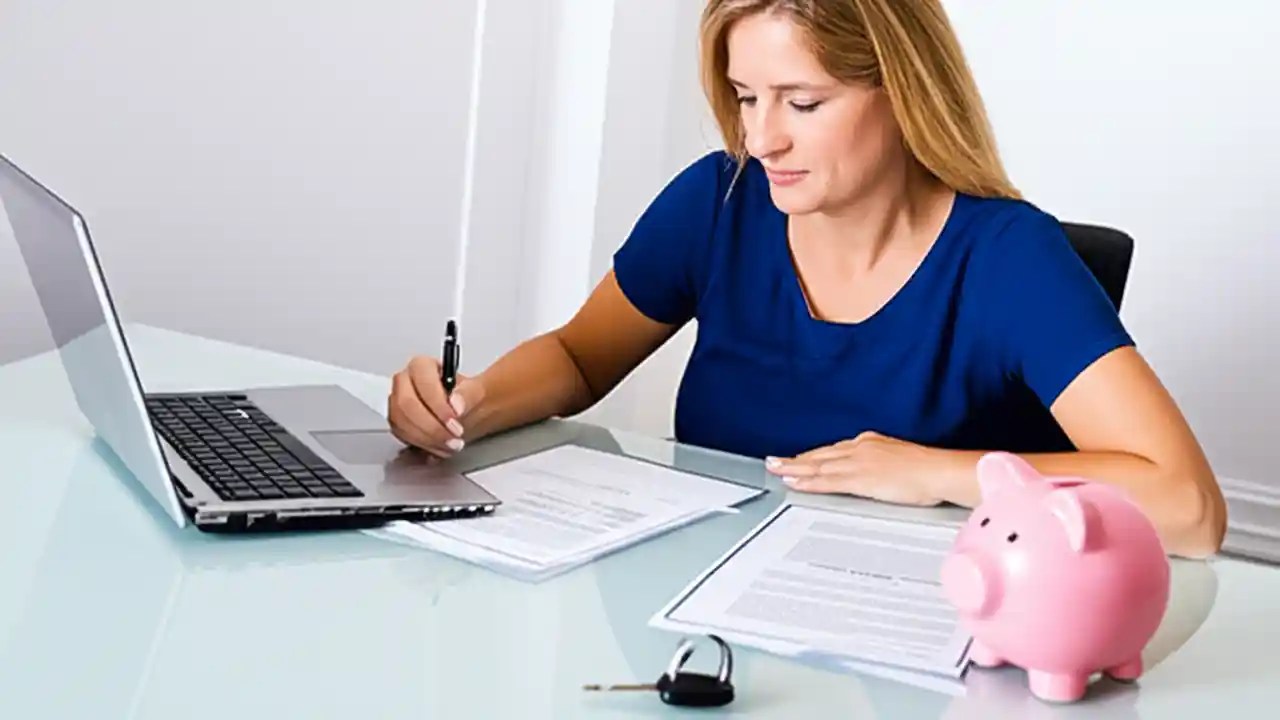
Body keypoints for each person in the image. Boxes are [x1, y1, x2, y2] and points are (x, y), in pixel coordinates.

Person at [387, 0, 1226, 559]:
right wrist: (472, 404)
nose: (763, 137)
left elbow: (1188, 507)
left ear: (902, 93)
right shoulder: (718, 201)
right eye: (747, 97)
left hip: (917, 625)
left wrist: (937, 473)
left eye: (803, 102)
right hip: (702, 600)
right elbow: (578, 357)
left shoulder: (1010, 259)